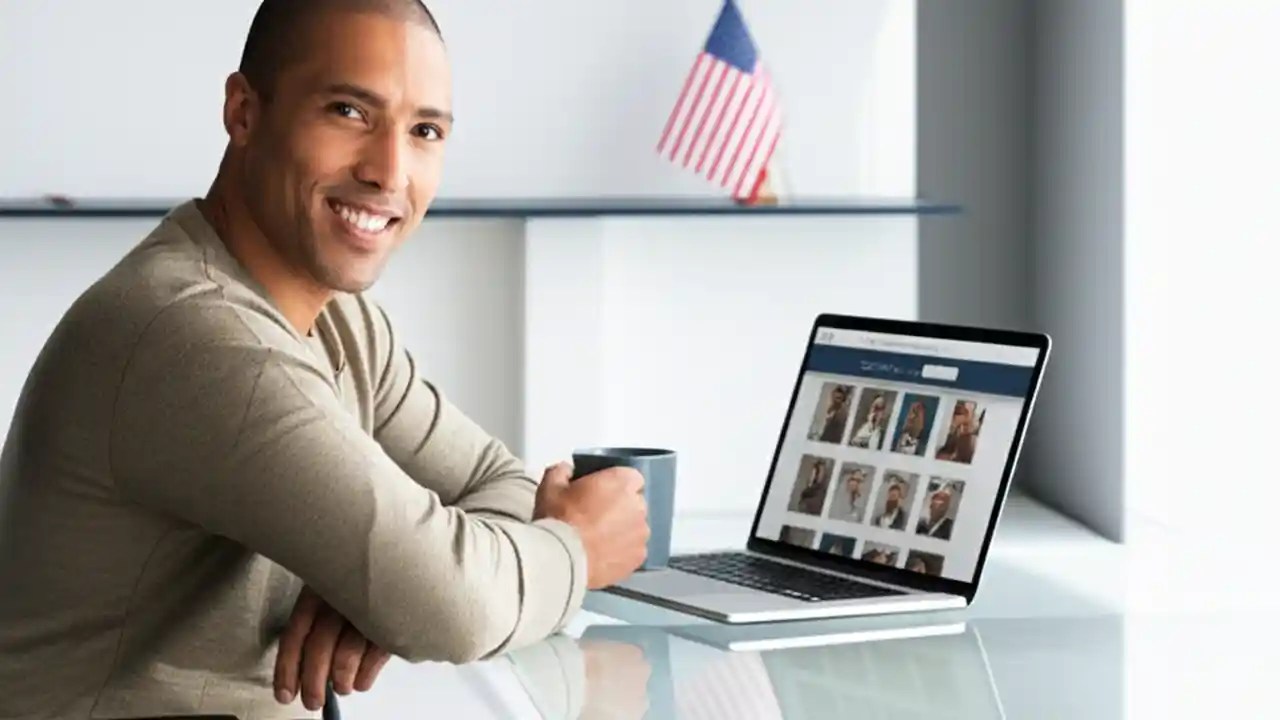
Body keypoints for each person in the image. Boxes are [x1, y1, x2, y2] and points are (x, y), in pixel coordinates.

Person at [0, 2, 650, 718]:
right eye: (348, 111)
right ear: (244, 112)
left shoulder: (340, 321)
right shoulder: (200, 340)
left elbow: (496, 485)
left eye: (425, 131)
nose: (388, 171)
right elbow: (457, 605)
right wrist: (577, 545)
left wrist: (380, 594)